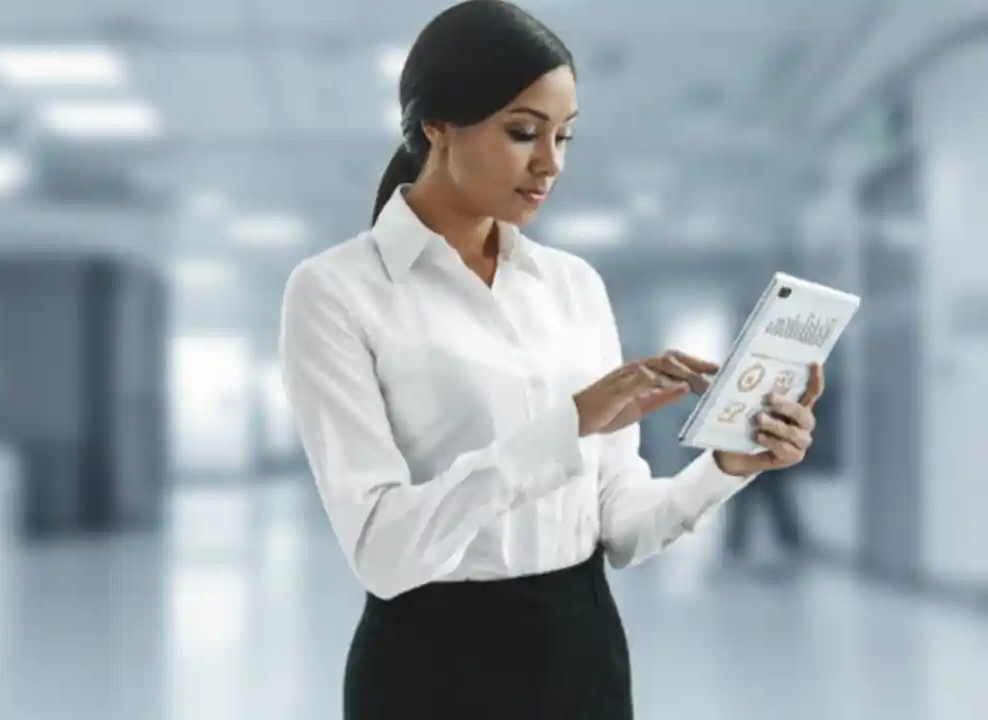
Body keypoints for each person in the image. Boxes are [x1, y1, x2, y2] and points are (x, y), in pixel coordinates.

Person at [277, 2, 825, 717]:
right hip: (428, 667)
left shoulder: (574, 287)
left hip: (582, 651)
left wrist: (727, 466)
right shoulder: (336, 291)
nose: (551, 164)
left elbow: (622, 529)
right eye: (523, 132)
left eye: (564, 136)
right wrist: (567, 424)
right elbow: (383, 552)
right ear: (437, 124)